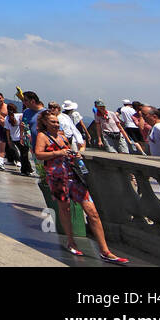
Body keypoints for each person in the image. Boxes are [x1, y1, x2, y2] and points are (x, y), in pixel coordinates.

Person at [34, 109, 128, 263]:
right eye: (53, 122)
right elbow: (38, 154)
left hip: (73, 176)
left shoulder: (62, 136)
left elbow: (74, 147)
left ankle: (105, 250)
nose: (56, 124)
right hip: (57, 178)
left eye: (57, 121)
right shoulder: (42, 136)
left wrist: (74, 154)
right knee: (65, 209)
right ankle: (71, 241)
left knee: (93, 212)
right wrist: (58, 153)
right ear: (44, 122)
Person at [4, 108, 33, 175]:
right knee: (24, 154)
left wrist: (8, 140)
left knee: (23, 153)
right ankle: (26, 169)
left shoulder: (6, 118)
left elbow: (7, 130)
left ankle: (27, 169)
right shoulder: (20, 115)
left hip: (14, 138)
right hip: (22, 137)